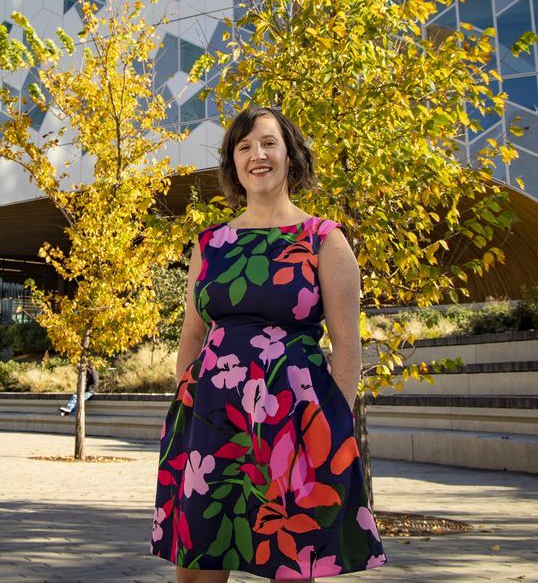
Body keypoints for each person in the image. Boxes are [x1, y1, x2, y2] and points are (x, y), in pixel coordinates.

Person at [150, 107, 387, 582]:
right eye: (244, 147)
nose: (256, 155)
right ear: (233, 164)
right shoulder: (210, 244)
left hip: (293, 426)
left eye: (268, 143)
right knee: (197, 566)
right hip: (210, 423)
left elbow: (346, 344)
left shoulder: (323, 239)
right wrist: (188, 404)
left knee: (291, 561)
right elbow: (192, 334)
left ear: (290, 156)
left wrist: (332, 426)